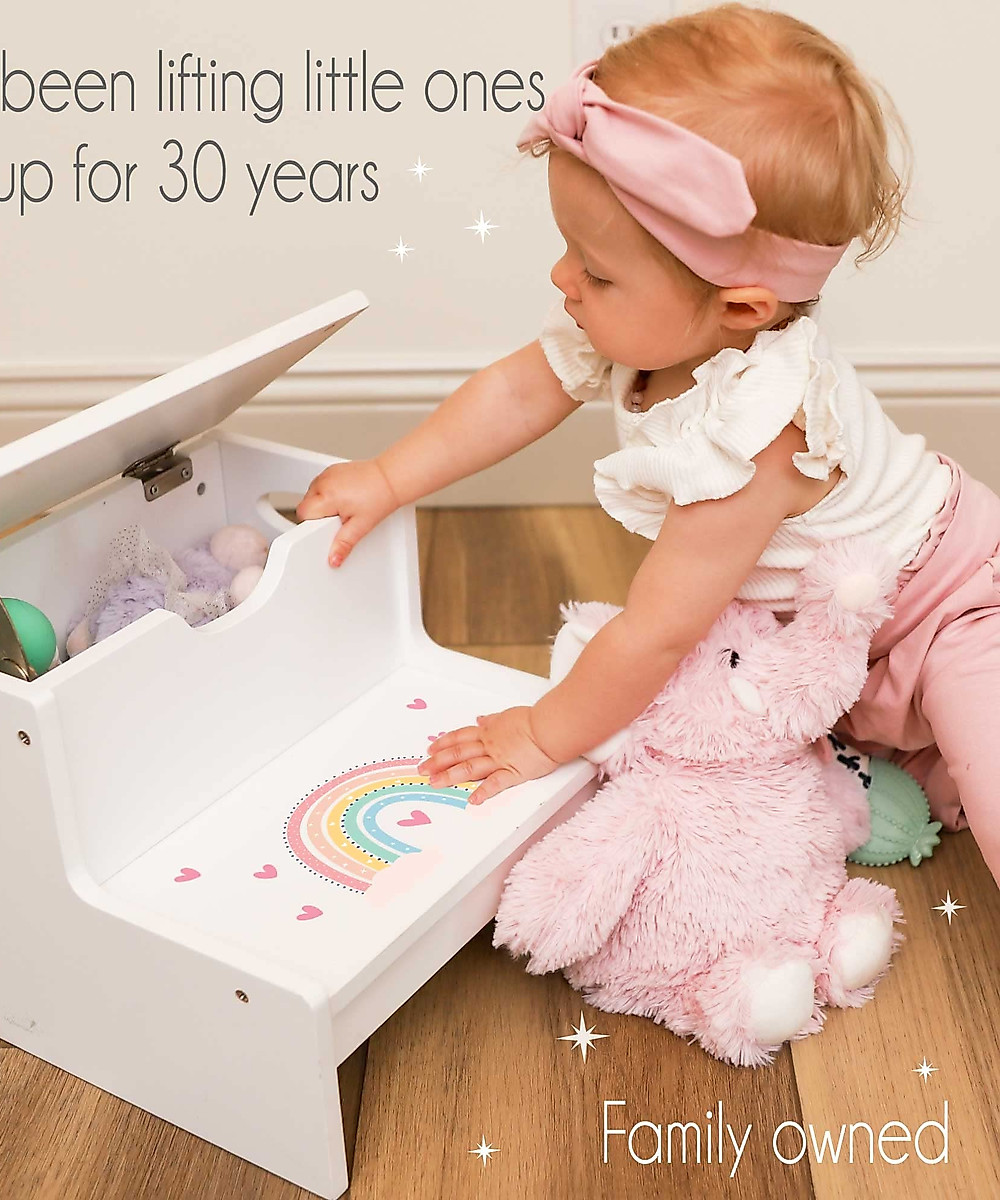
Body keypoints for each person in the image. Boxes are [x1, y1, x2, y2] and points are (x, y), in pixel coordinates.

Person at [295, 4, 1000, 888]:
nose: (562, 281)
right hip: (829, 632)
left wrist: (544, 730)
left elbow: (659, 630)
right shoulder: (652, 328)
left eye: (594, 270)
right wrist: (390, 474)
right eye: (568, 251)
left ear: (741, 308)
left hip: (955, 606)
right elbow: (519, 390)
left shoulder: (761, 435)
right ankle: (908, 761)